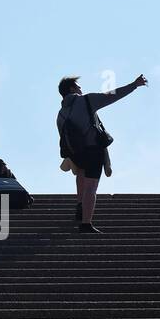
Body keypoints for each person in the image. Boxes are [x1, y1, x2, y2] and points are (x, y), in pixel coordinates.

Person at [57, 74, 148, 233]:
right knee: (91, 187)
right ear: (72, 89)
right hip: (93, 149)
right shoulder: (85, 100)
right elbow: (112, 95)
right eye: (78, 86)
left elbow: (64, 138)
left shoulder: (60, 114)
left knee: (81, 174)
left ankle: (80, 204)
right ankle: (86, 223)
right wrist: (134, 84)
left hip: (76, 153)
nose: (81, 89)